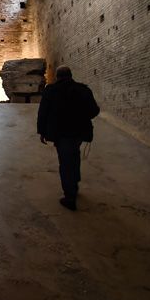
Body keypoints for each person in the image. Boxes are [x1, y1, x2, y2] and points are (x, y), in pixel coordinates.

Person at [36, 65, 100, 211]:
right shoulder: (83, 90)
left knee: (65, 163)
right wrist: (81, 118)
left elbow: (43, 113)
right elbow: (94, 111)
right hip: (78, 133)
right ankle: (75, 185)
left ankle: (70, 197)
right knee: (74, 156)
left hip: (61, 134)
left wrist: (42, 132)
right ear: (71, 75)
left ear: (57, 77)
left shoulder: (51, 91)